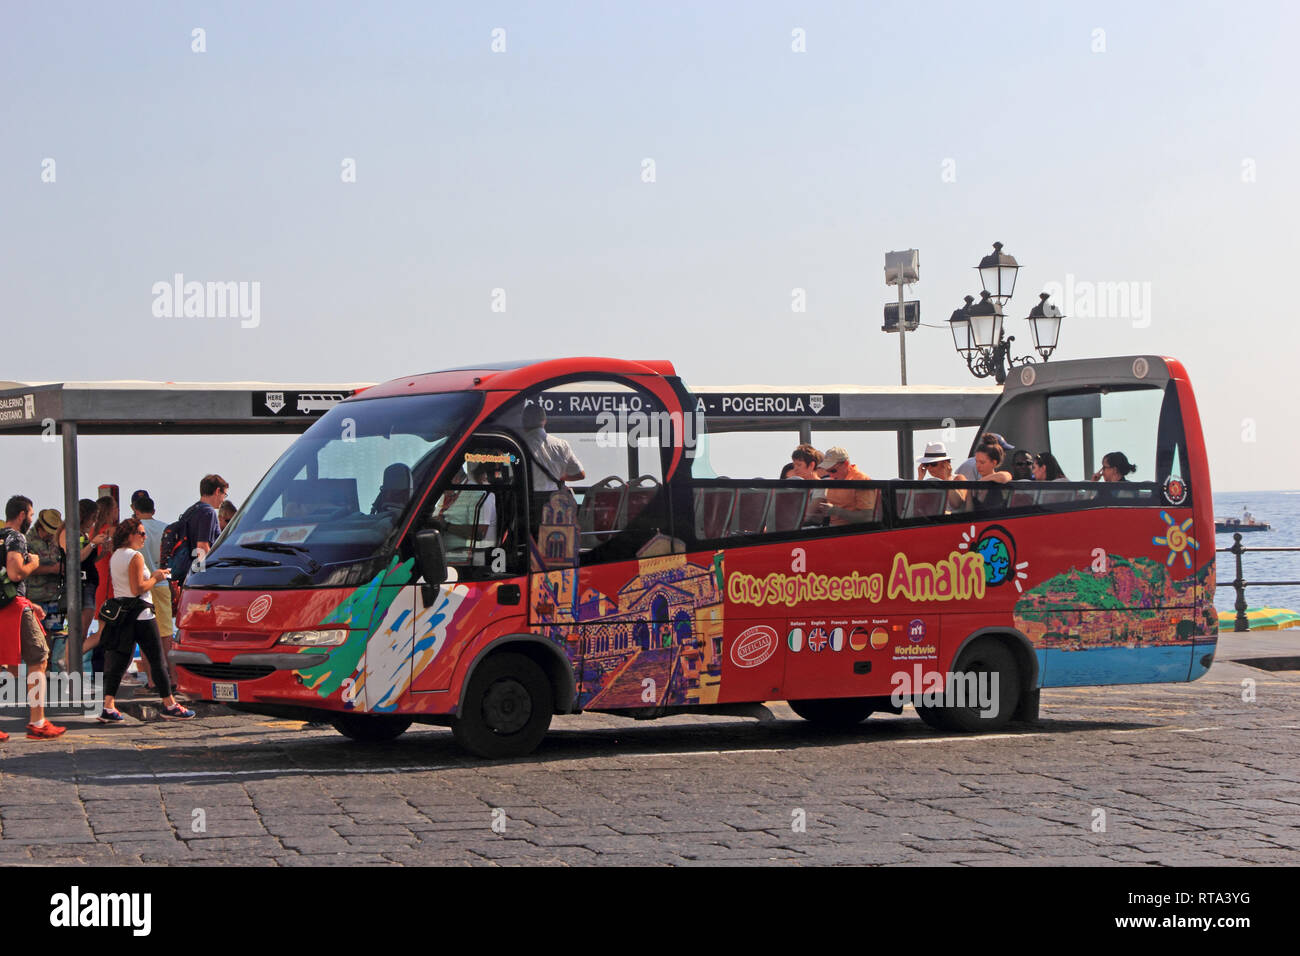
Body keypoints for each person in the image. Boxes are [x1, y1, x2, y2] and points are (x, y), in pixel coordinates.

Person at [98, 518, 193, 723]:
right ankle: (169, 704)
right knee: (157, 659)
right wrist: (157, 577)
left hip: (123, 614)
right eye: (141, 533)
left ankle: (108, 706)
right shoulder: (135, 556)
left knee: (120, 660)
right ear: (129, 535)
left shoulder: (115, 555)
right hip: (141, 613)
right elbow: (138, 588)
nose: (144, 537)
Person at [0, 496, 67, 739]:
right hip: (14, 606)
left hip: (7, 604)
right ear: (21, 515)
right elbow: (16, 572)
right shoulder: (16, 537)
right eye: (30, 514)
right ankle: (38, 721)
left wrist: (31, 603)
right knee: (39, 656)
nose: (30, 518)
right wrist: (33, 563)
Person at [130, 490, 173, 690]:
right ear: (153, 509)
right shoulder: (166, 528)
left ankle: (152, 680)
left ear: (135, 510)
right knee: (166, 634)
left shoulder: (134, 531)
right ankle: (171, 677)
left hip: (142, 585)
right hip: (163, 583)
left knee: (145, 634)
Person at [25, 509, 67, 673]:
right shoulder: (28, 541)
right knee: (34, 635)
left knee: (50, 632)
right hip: (35, 596)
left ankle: (47, 666)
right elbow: (25, 568)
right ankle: (34, 669)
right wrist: (52, 569)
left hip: (54, 596)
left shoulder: (58, 540)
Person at [172, 475, 229, 583]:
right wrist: (207, 574)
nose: (223, 499)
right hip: (196, 574)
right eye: (224, 494)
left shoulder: (190, 511)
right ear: (217, 491)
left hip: (183, 572)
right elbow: (202, 546)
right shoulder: (208, 512)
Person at [814, 446, 875, 525]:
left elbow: (867, 517)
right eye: (827, 470)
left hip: (852, 532)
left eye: (833, 470)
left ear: (845, 464)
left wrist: (837, 511)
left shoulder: (861, 480)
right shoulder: (833, 480)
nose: (830, 475)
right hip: (832, 529)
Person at [916, 441, 968, 510]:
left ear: (945, 463)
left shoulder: (958, 478)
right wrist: (920, 479)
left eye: (933, 464)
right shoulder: (929, 484)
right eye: (926, 464)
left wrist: (947, 479)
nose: (929, 468)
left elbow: (956, 504)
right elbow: (916, 505)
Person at [971, 441, 1013, 508]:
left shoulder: (999, 480)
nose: (978, 466)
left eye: (982, 462)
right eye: (976, 461)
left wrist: (981, 482)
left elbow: (1005, 476)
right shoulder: (974, 486)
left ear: (994, 463)